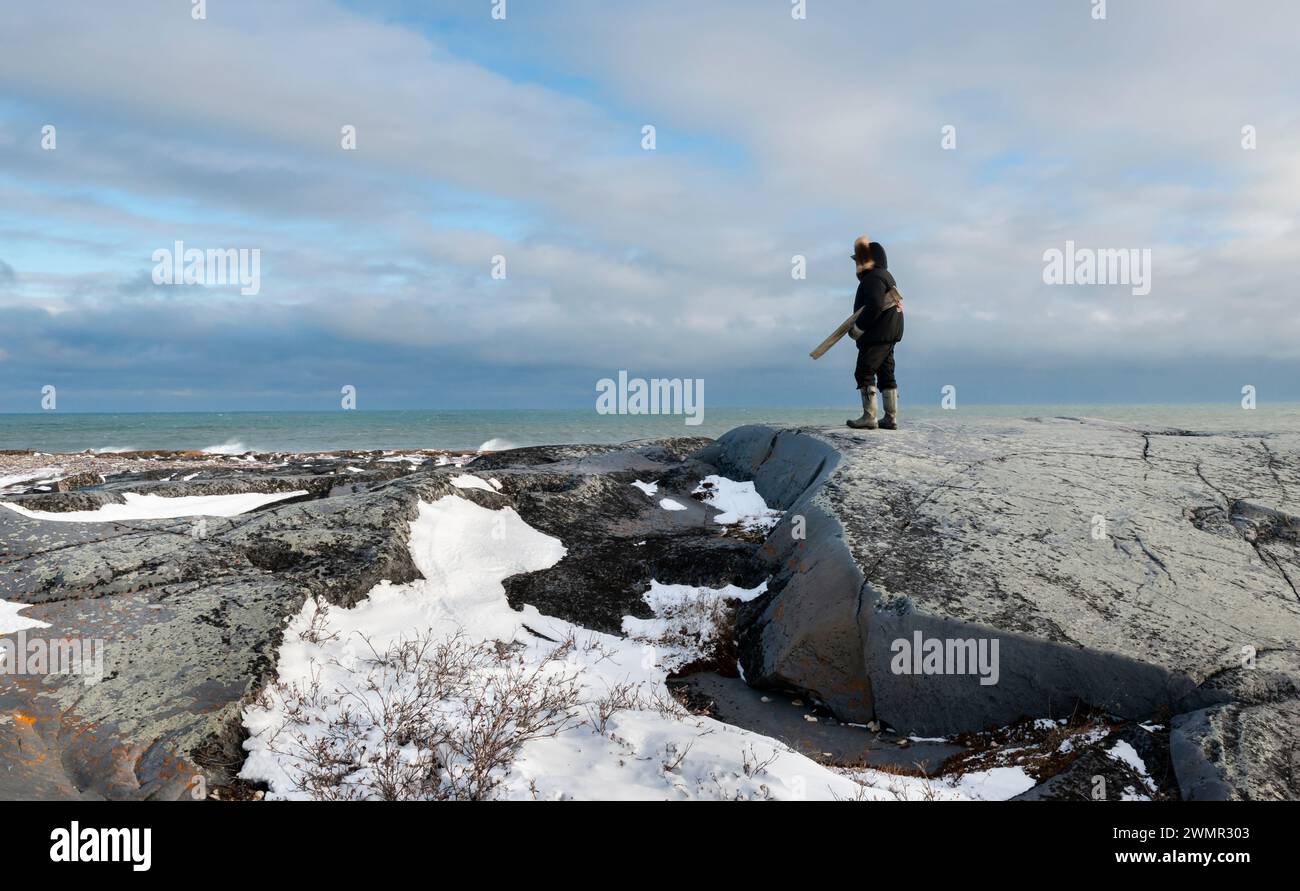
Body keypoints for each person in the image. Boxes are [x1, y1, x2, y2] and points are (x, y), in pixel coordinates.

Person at [846, 236, 904, 430]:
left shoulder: (873, 278)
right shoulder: (886, 276)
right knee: (886, 372)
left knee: (864, 370)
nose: (858, 264)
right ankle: (890, 418)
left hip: (876, 335)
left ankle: (869, 417)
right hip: (889, 333)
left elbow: (875, 305)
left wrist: (858, 328)